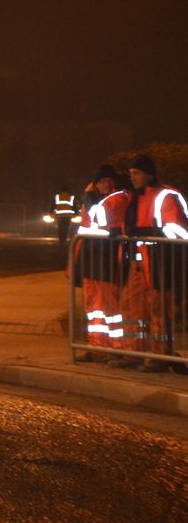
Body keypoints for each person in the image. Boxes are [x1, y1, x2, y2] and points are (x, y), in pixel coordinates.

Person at [118, 155, 188, 372]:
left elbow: (179, 230)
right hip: (142, 261)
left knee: (159, 311)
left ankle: (160, 356)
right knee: (130, 308)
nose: (132, 177)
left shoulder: (166, 195)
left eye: (136, 173)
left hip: (160, 262)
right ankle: (133, 353)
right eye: (130, 173)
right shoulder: (138, 197)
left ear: (148, 174)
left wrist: (145, 233)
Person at [73, 164, 128, 362]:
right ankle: (97, 347)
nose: (107, 183)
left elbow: (100, 217)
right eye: (102, 180)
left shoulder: (118, 197)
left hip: (106, 257)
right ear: (96, 183)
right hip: (90, 257)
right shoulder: (94, 200)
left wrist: (87, 196)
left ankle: (117, 349)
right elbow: (84, 228)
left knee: (109, 307)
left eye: (109, 180)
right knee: (93, 306)